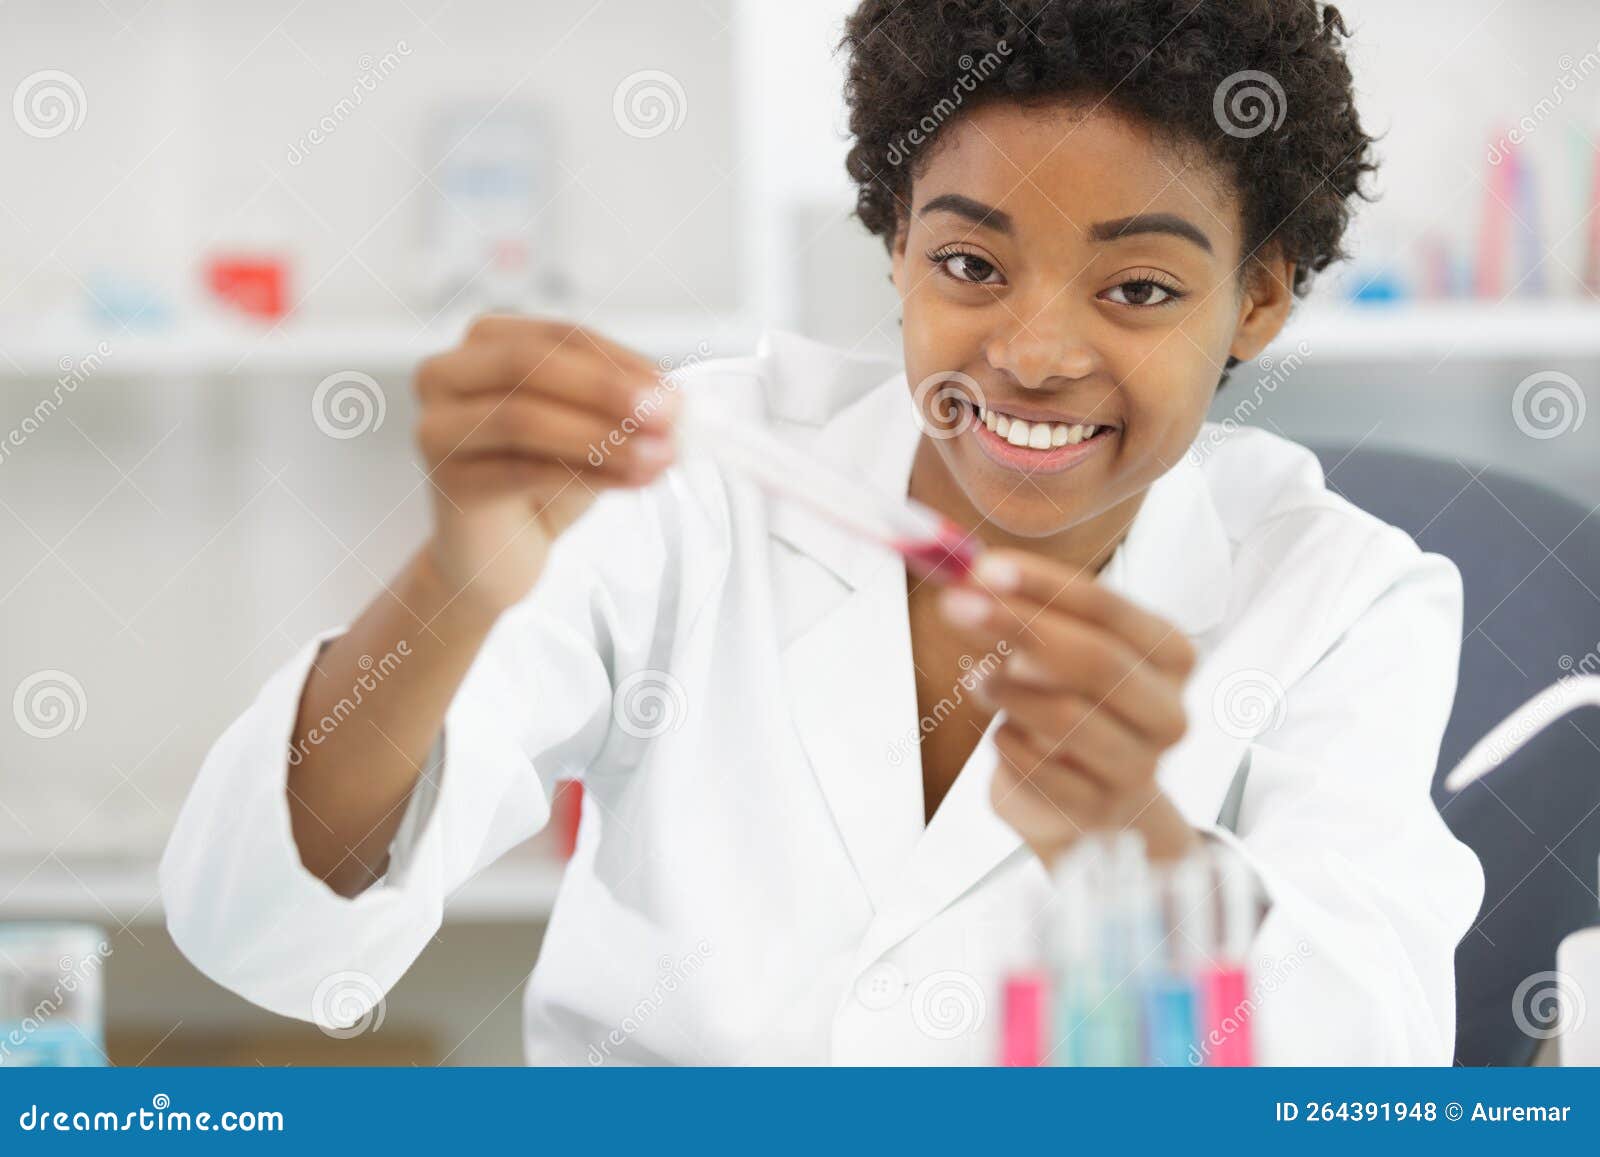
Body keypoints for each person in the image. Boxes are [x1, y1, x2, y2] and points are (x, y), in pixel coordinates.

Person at [161, 0, 1484, 1064]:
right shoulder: (688, 477)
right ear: (897, 244)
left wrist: (1136, 844)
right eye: (969, 264)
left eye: (1138, 288)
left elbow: (1372, 1075)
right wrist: (454, 585)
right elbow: (263, 931)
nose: (1031, 353)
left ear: (1256, 301)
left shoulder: (1346, 597)